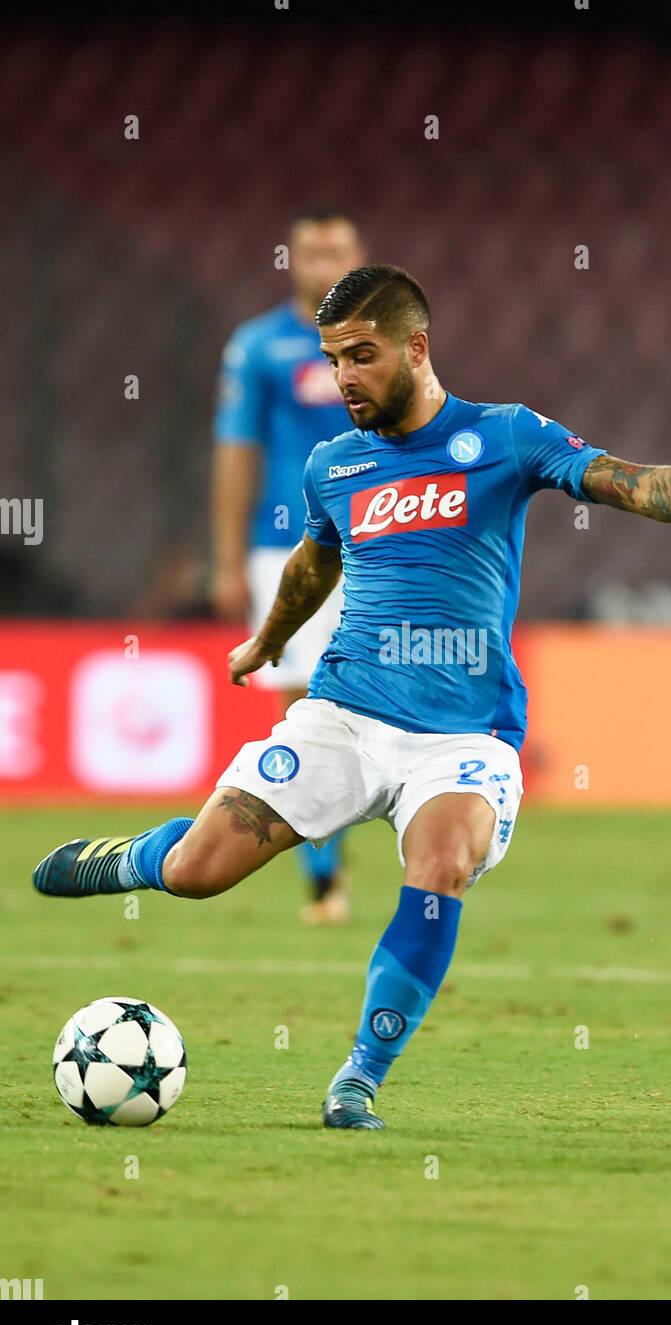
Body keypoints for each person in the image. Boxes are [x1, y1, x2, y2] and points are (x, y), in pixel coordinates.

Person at [34, 264, 671, 1130]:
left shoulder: (505, 437)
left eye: (362, 357)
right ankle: (128, 862)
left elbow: (628, 481)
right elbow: (315, 560)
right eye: (334, 359)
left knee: (440, 862)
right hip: (343, 714)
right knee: (197, 873)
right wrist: (269, 640)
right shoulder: (333, 464)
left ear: (417, 347)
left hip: (465, 734)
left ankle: (358, 1081)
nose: (344, 379)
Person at [211, 207, 365, 924]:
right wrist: (227, 557)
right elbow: (235, 452)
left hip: (380, 538)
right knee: (299, 707)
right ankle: (324, 877)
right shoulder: (259, 347)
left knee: (375, 698)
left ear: (358, 257)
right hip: (288, 544)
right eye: (310, 252)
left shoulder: (380, 341)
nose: (323, 264)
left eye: (336, 251)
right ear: (292, 261)